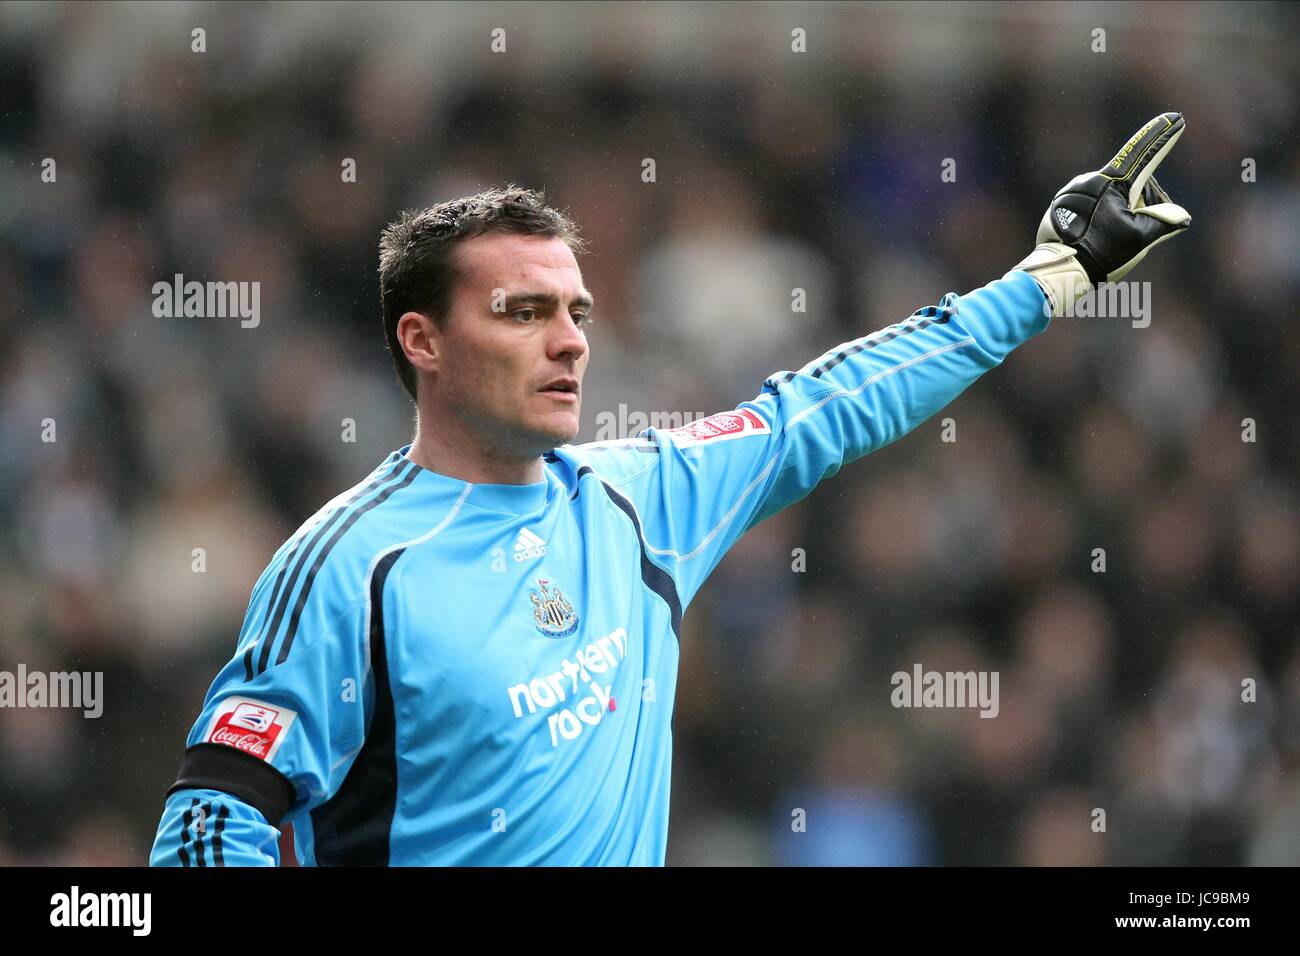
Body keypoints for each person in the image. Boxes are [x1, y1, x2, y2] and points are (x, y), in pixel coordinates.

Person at [149, 114, 1190, 865]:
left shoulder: (637, 495)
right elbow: (212, 818)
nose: (567, 341)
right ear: (421, 340)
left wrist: (1041, 283)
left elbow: (821, 407)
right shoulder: (347, 567)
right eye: (521, 311)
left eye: (577, 311)